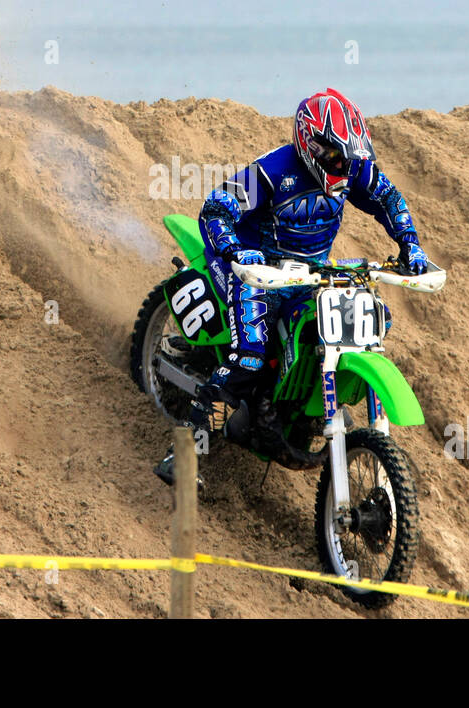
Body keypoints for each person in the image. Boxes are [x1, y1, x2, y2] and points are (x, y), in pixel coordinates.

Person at [154, 88, 429, 487]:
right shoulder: (273, 170)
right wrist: (236, 251)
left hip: (305, 275)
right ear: (310, 144)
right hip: (253, 270)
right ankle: (182, 455)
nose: (344, 166)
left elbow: (388, 198)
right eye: (336, 157)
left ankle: (294, 408)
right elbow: (216, 208)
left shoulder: (353, 169)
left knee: (343, 329)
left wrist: (410, 244)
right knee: (249, 354)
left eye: (351, 157)